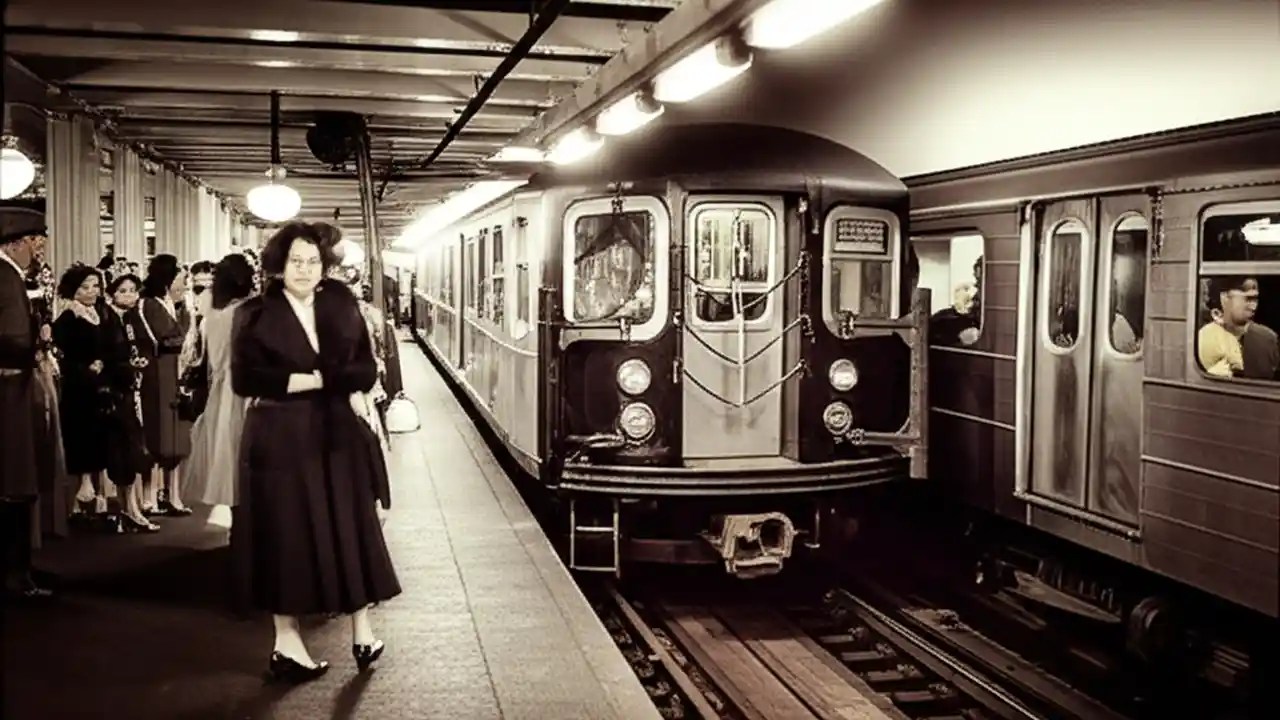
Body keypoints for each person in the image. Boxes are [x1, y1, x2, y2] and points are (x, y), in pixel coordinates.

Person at [231, 222, 399, 683]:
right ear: (278, 265)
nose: (304, 270)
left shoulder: (342, 303)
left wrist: (320, 380)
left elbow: (365, 367)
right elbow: (245, 381)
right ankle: (286, 643)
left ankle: (363, 631)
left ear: (325, 265)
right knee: (285, 534)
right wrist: (321, 379)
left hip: (336, 433)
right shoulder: (253, 313)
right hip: (279, 437)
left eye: (312, 261)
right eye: (295, 261)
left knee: (352, 526)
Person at [0, 202, 52, 601]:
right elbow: (16, 338)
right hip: (10, 394)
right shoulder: (6, 278)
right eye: (34, 242)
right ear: (16, 243)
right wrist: (36, 348)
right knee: (15, 480)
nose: (38, 251)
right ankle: (16, 576)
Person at [185, 253, 255, 529]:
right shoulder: (248, 312)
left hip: (221, 390)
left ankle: (237, 530)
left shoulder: (211, 315)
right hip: (245, 390)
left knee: (227, 460)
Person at [138, 254, 194, 516]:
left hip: (176, 372)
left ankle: (173, 493)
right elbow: (169, 339)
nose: (185, 284)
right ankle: (152, 494)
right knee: (158, 432)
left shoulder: (175, 305)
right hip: (159, 372)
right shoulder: (151, 305)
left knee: (177, 433)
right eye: (181, 278)